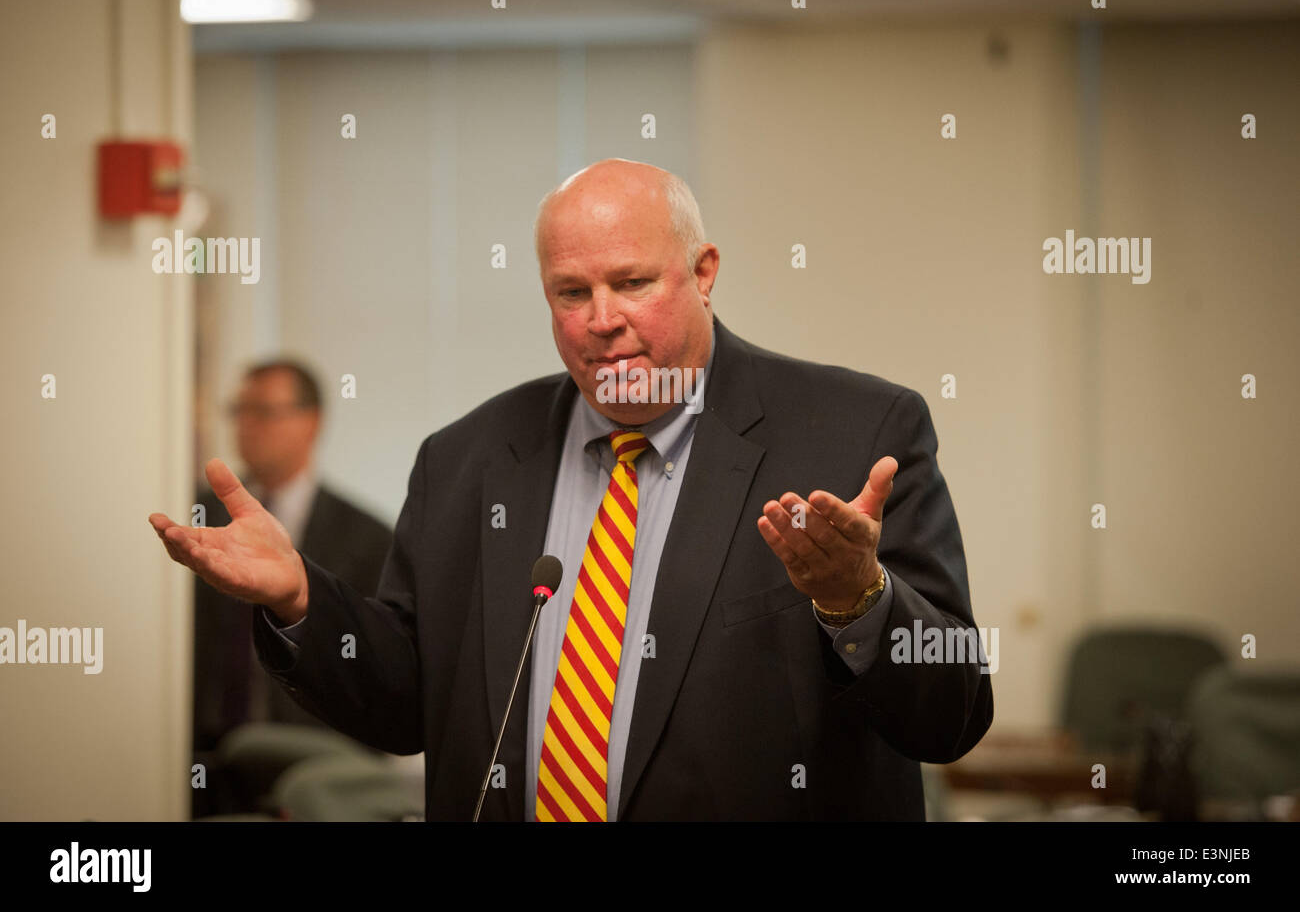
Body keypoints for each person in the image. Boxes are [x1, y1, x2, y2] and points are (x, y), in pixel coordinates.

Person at [151, 158, 992, 820]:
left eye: (632, 283)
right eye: (570, 292)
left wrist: (860, 603)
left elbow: (952, 714)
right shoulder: (470, 457)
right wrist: (303, 599)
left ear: (702, 271)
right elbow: (408, 701)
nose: (601, 318)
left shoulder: (855, 434)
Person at [190, 360, 393, 815]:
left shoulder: (368, 537)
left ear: (312, 422)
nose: (246, 426)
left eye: (263, 411)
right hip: (210, 763)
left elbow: (377, 667)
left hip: (322, 767)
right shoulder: (200, 520)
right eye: (239, 410)